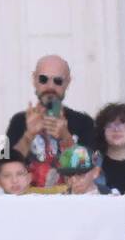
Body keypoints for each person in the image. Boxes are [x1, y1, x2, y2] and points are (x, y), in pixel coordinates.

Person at [5, 56, 96, 189]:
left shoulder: (83, 122)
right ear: (34, 79)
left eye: (58, 81)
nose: (50, 86)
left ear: (67, 83)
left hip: (71, 202)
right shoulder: (19, 121)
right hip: (28, 203)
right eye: (43, 79)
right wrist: (28, 136)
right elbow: (6, 170)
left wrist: (66, 138)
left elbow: (89, 172)